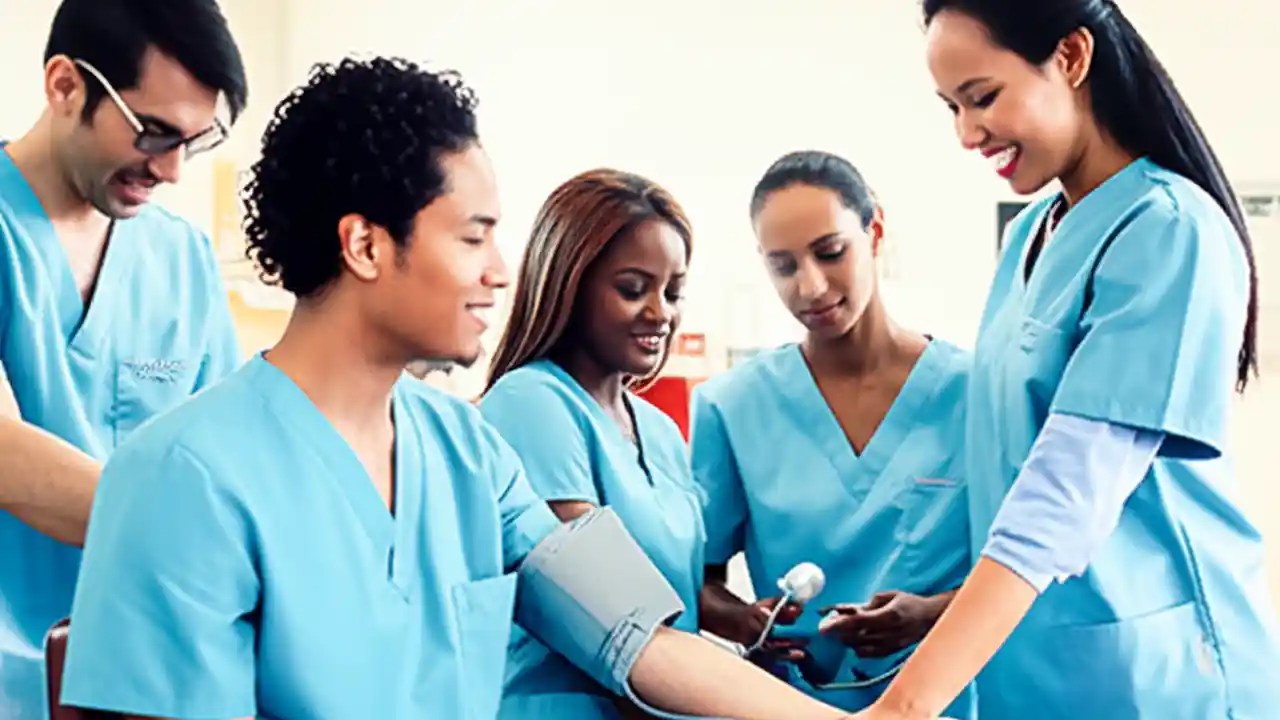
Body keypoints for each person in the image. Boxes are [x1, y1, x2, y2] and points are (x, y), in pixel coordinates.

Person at [59, 56, 859, 720]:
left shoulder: (471, 453)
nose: (500, 270)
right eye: (474, 236)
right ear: (366, 245)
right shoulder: (182, 478)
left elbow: (640, 638)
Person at [849, 1, 1280, 718]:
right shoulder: (1026, 242)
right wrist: (938, 613)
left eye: (982, 97)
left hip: (1165, 682)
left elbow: (1067, 493)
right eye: (950, 107)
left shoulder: (1168, 230)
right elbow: (1016, 478)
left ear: (1073, 58)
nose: (965, 132)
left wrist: (906, 706)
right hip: (1043, 678)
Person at [0, 1, 246, 716]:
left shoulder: (181, 257)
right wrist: (184, 528)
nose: (170, 170)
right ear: (64, 85)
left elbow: (224, 455)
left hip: (146, 675)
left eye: (192, 143)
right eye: (151, 133)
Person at [689, 151, 975, 718]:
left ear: (875, 232)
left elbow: (1033, 564)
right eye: (784, 266)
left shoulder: (978, 395)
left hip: (947, 700)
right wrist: (748, 622)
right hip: (792, 702)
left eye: (830, 252)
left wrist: (931, 613)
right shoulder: (732, 406)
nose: (811, 287)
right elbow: (698, 580)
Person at [481, 168, 705, 719]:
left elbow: (675, 589)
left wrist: (745, 624)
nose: (660, 313)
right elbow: (601, 609)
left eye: (672, 291)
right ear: (569, 284)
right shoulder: (530, 401)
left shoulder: (658, 430)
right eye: (632, 289)